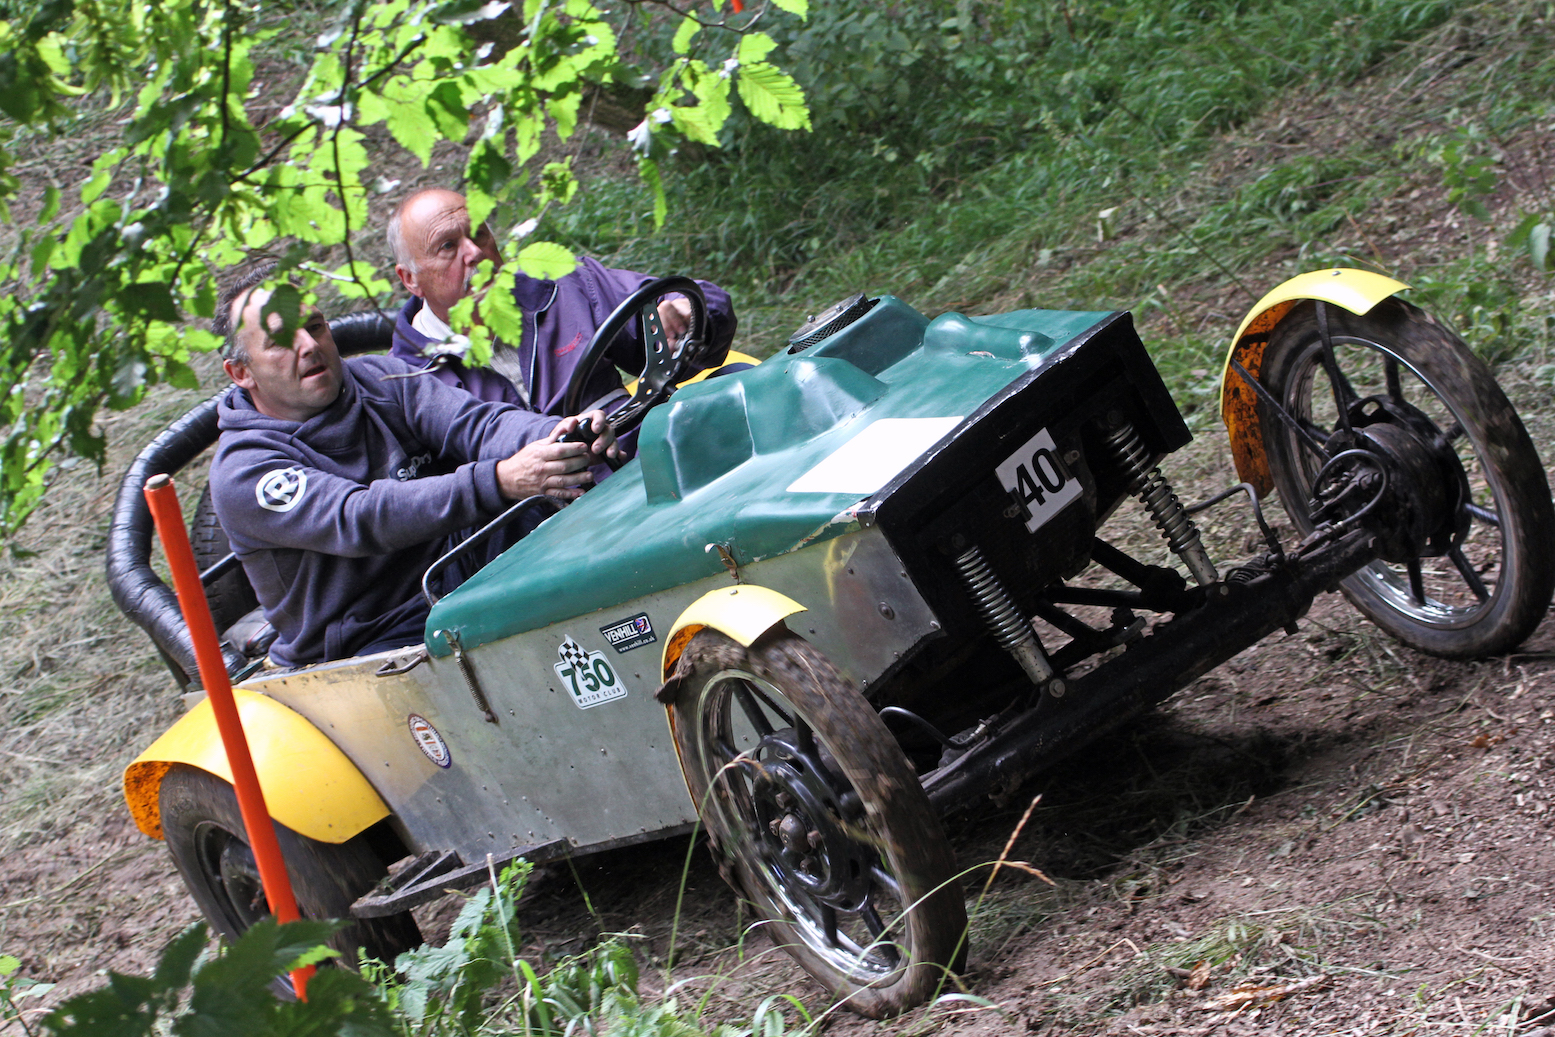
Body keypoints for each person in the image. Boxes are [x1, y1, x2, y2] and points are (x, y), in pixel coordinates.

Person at [208, 262, 620, 668]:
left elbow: (476, 424)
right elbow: (359, 516)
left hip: (453, 568)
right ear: (242, 372)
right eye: (281, 341)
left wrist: (556, 435)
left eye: (315, 326)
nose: (310, 345)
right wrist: (498, 480)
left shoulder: (377, 378)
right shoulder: (245, 470)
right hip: (366, 638)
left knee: (564, 509)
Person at [386, 188, 738, 423]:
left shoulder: (558, 286)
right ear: (410, 279)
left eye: (478, 232)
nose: (475, 252)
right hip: (539, 526)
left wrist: (683, 313)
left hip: (636, 464)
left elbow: (691, 303)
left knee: (739, 384)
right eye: (447, 246)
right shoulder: (407, 381)